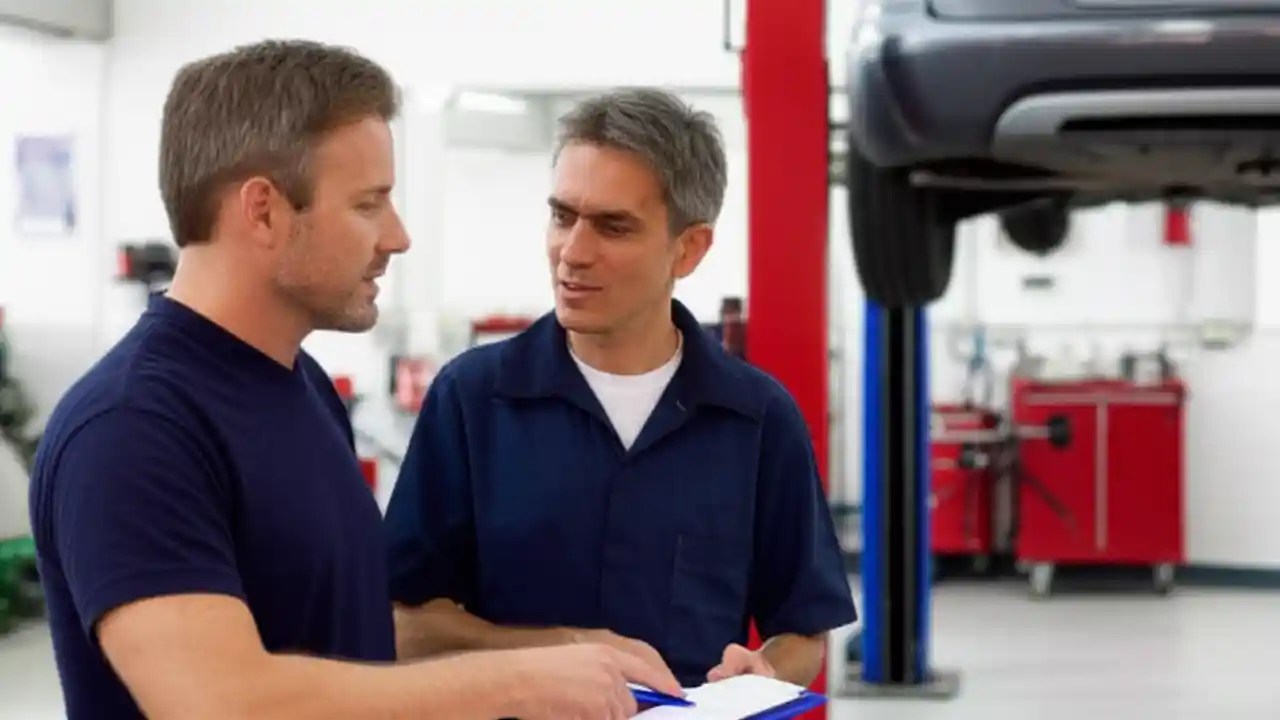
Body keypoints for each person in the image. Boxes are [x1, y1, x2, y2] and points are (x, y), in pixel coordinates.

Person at [27, 41, 678, 720]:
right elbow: (223, 703)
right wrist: (518, 683)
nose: (397, 237)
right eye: (369, 204)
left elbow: (352, 649)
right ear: (264, 211)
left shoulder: (300, 385)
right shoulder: (134, 429)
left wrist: (563, 651)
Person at [385, 88, 857, 689]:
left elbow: (803, 631)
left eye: (613, 226)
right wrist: (564, 649)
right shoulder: (472, 401)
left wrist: (762, 670)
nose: (572, 253)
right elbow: (403, 625)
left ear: (688, 249)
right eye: (562, 216)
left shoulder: (758, 419)